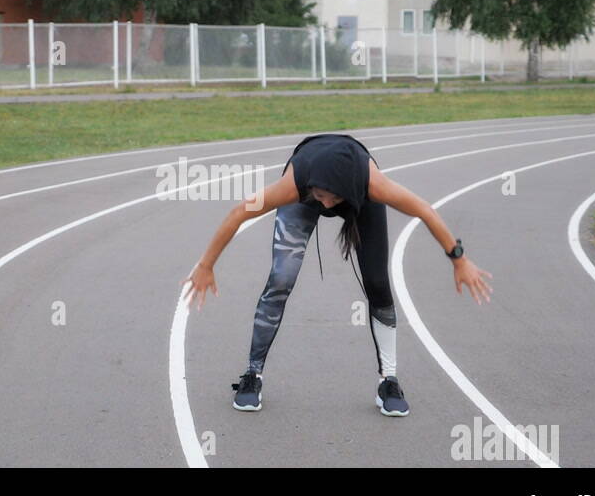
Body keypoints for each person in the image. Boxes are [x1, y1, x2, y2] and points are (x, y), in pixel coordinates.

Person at [181, 133, 493, 416]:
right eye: (322, 197)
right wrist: (206, 266)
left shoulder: (373, 185)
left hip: (359, 195)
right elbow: (239, 212)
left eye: (333, 200)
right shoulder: (295, 185)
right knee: (281, 278)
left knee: (377, 282)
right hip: (303, 193)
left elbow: (423, 209)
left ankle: (389, 381)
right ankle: (252, 375)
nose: (327, 205)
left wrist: (459, 259)